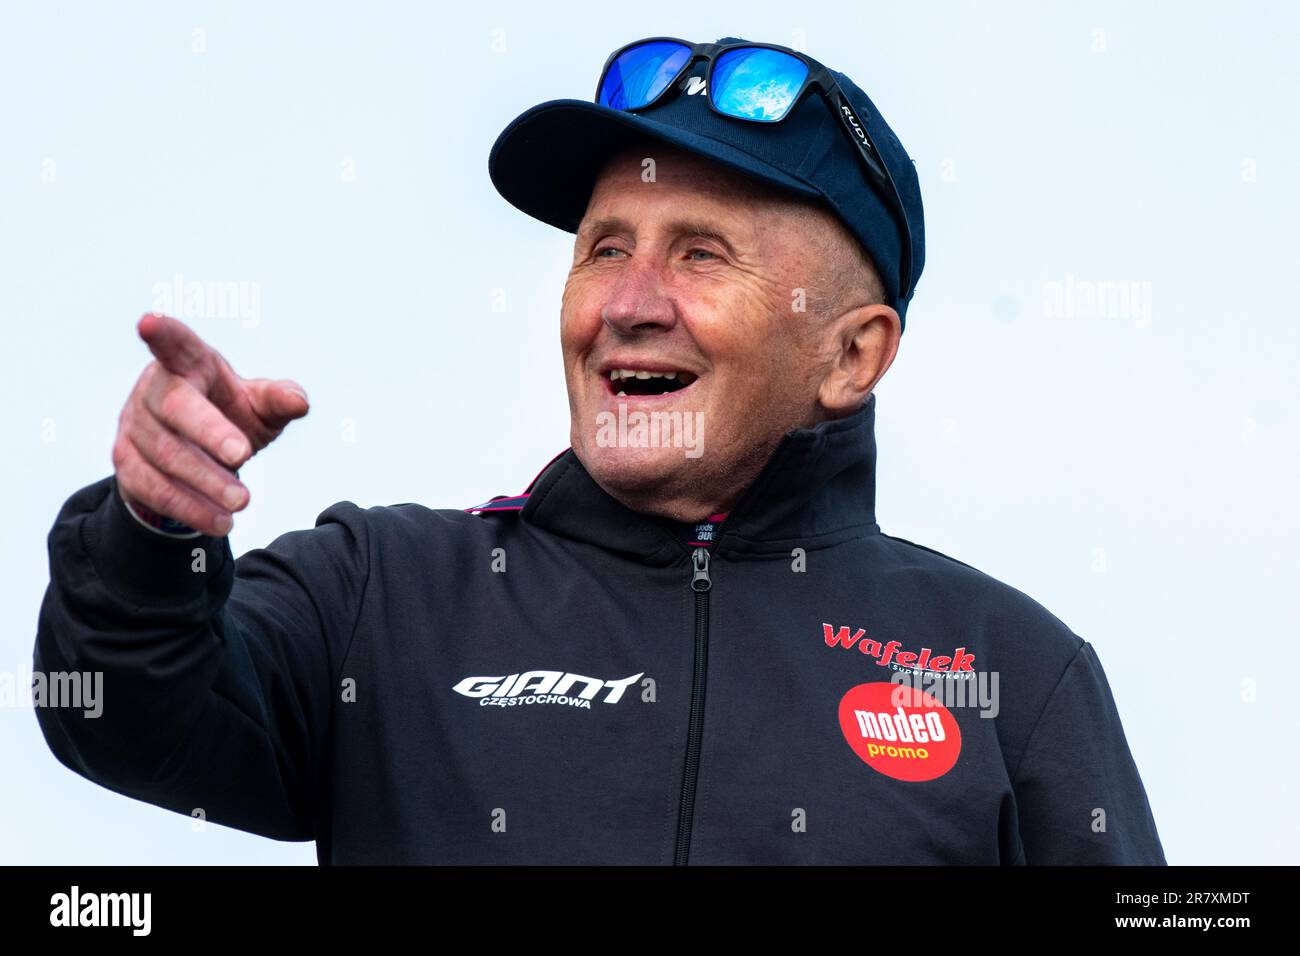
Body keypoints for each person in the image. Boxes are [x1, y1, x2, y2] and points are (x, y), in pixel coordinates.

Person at [32, 36, 1166, 865]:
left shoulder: (1007, 672)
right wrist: (151, 534)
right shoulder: (384, 594)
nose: (625, 302)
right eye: (602, 247)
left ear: (851, 355)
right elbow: (120, 715)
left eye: (701, 254)